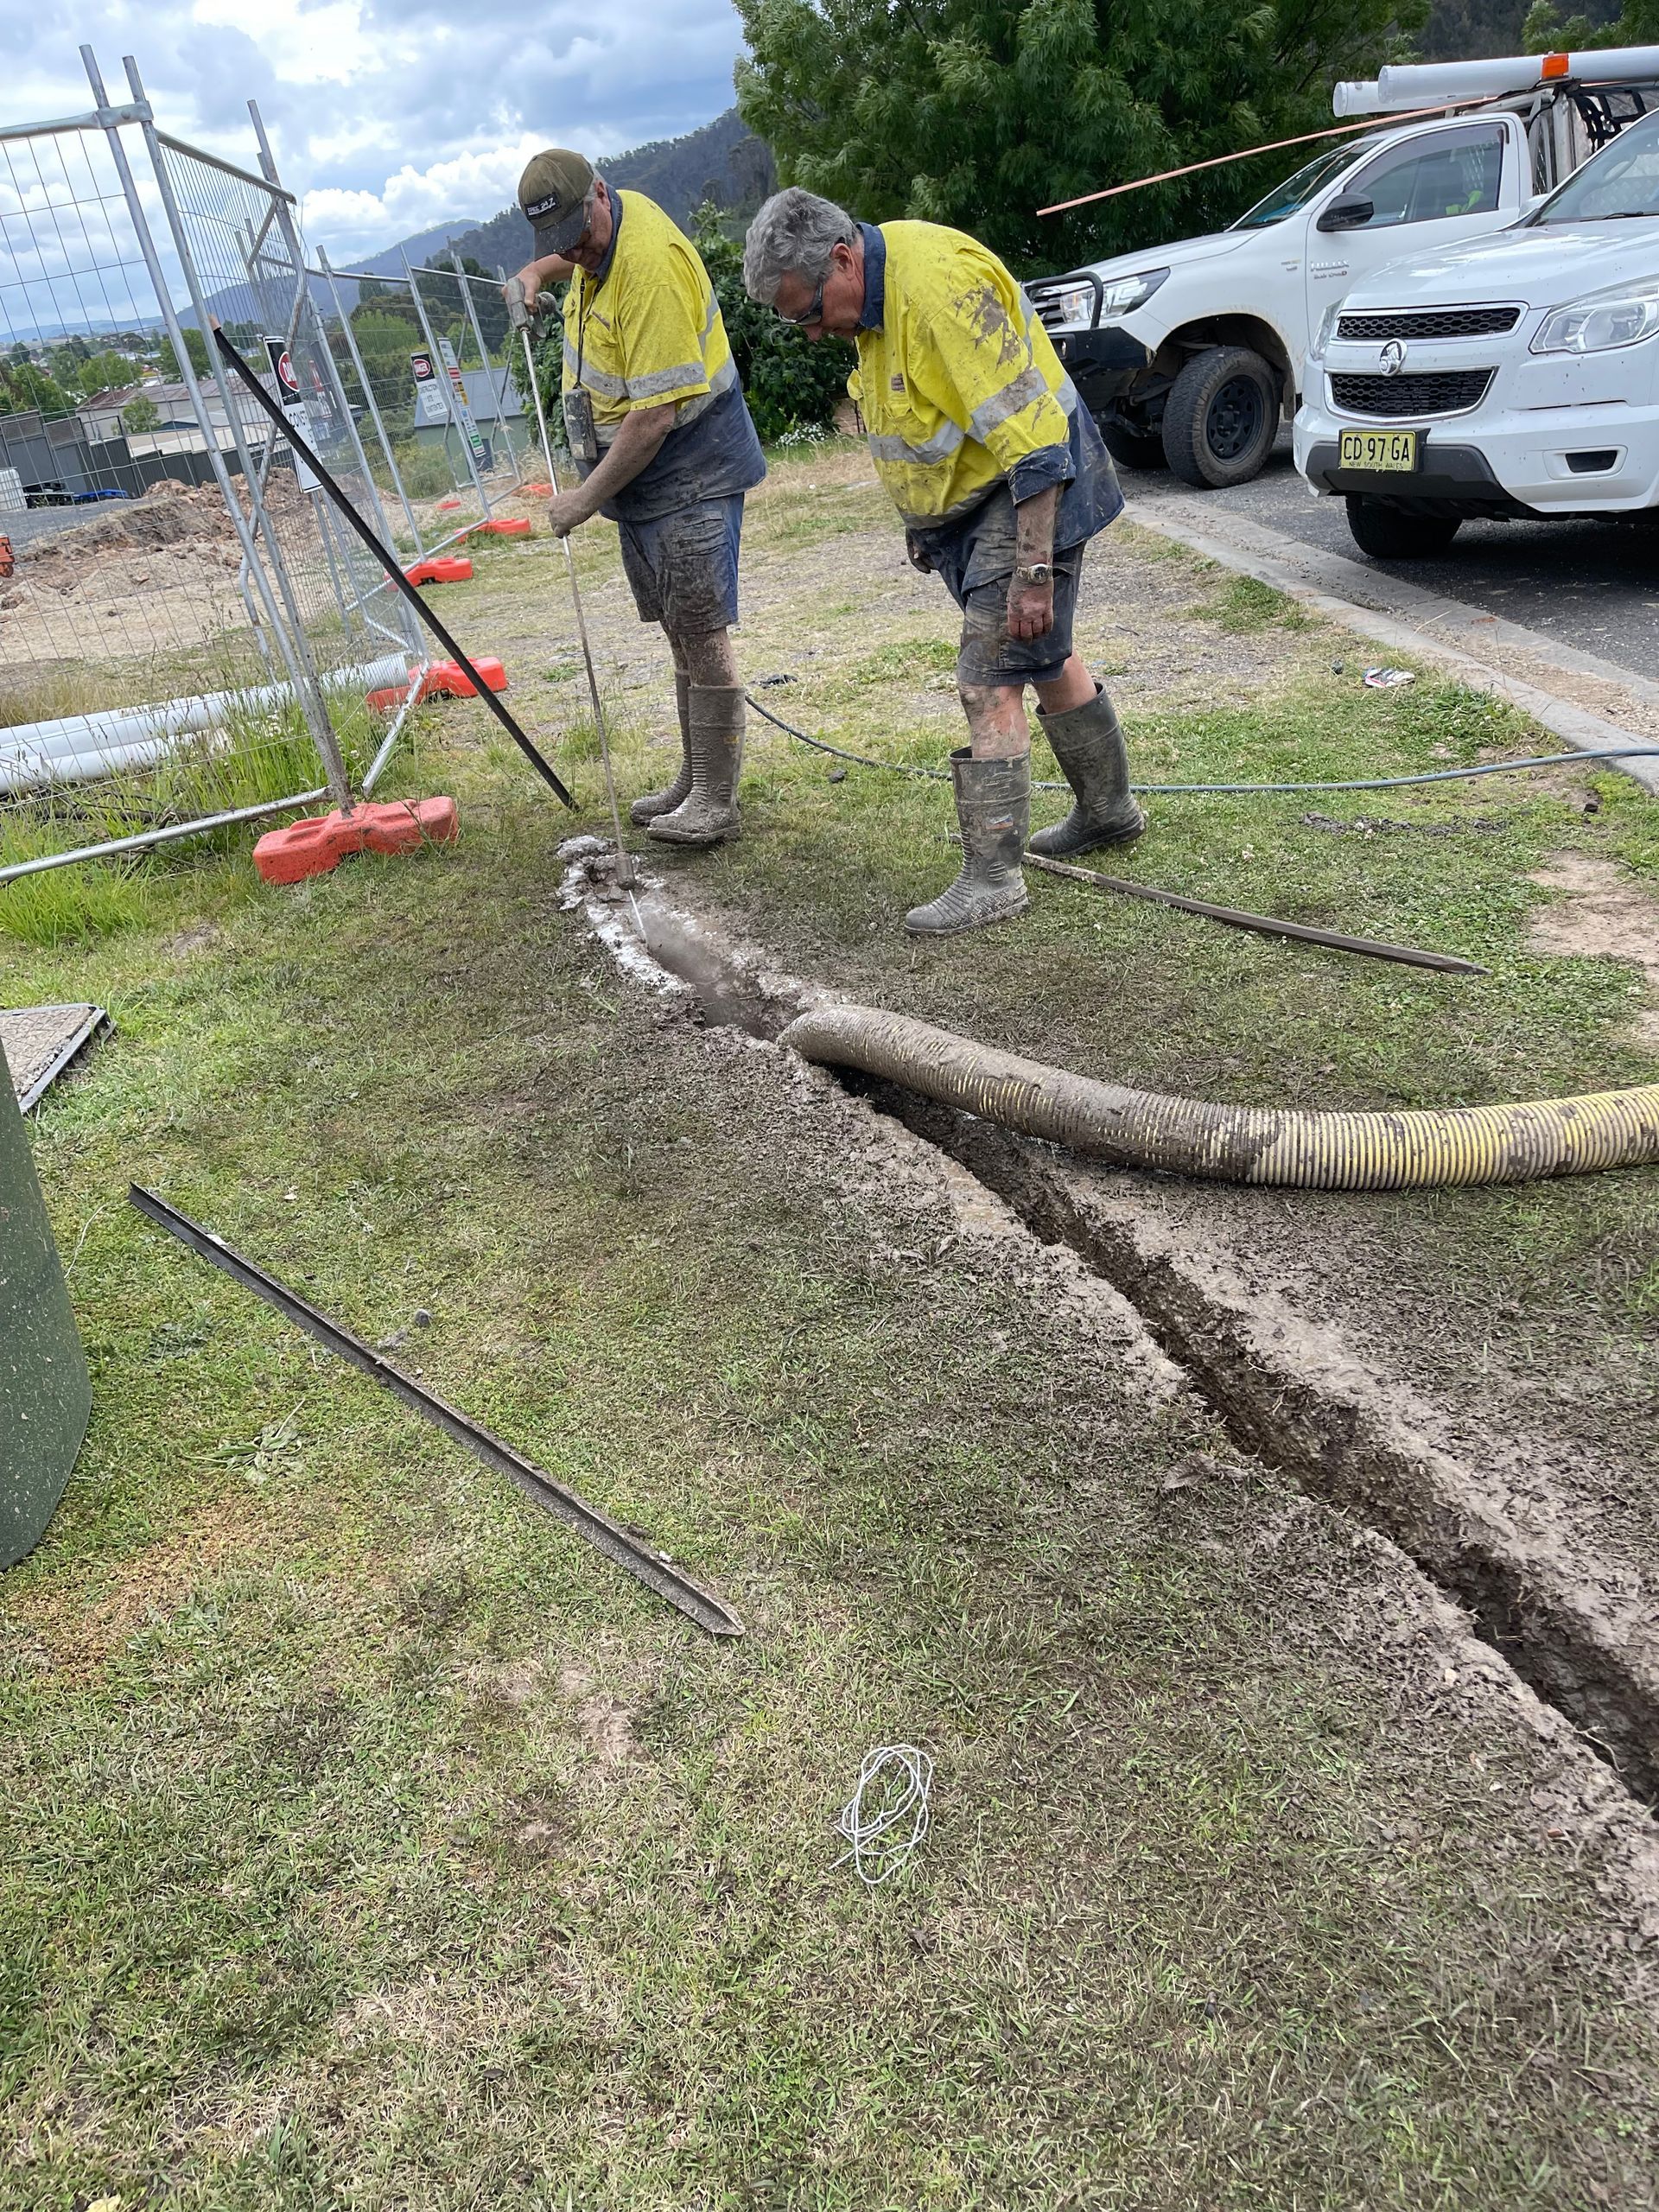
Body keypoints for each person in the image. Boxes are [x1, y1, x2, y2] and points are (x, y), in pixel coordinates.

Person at [742, 188, 1144, 932]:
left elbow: (1037, 442)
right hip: (977, 497)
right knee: (1038, 654)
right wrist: (920, 517)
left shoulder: (937, 290)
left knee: (986, 677)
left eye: (806, 312)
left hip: (1030, 485)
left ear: (841, 258)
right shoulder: (866, 300)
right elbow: (914, 416)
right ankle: (1109, 811)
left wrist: (1033, 573)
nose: (807, 331)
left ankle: (994, 878)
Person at [509, 152, 766, 845]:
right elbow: (574, 251)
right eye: (554, 240)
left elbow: (653, 417)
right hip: (645, 478)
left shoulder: (647, 267)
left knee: (701, 628)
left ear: (601, 193)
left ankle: (716, 798)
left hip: (690, 464)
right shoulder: (597, 232)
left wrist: (581, 501)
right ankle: (695, 776)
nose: (572, 250)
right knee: (678, 626)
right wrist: (535, 273)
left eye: (576, 232)